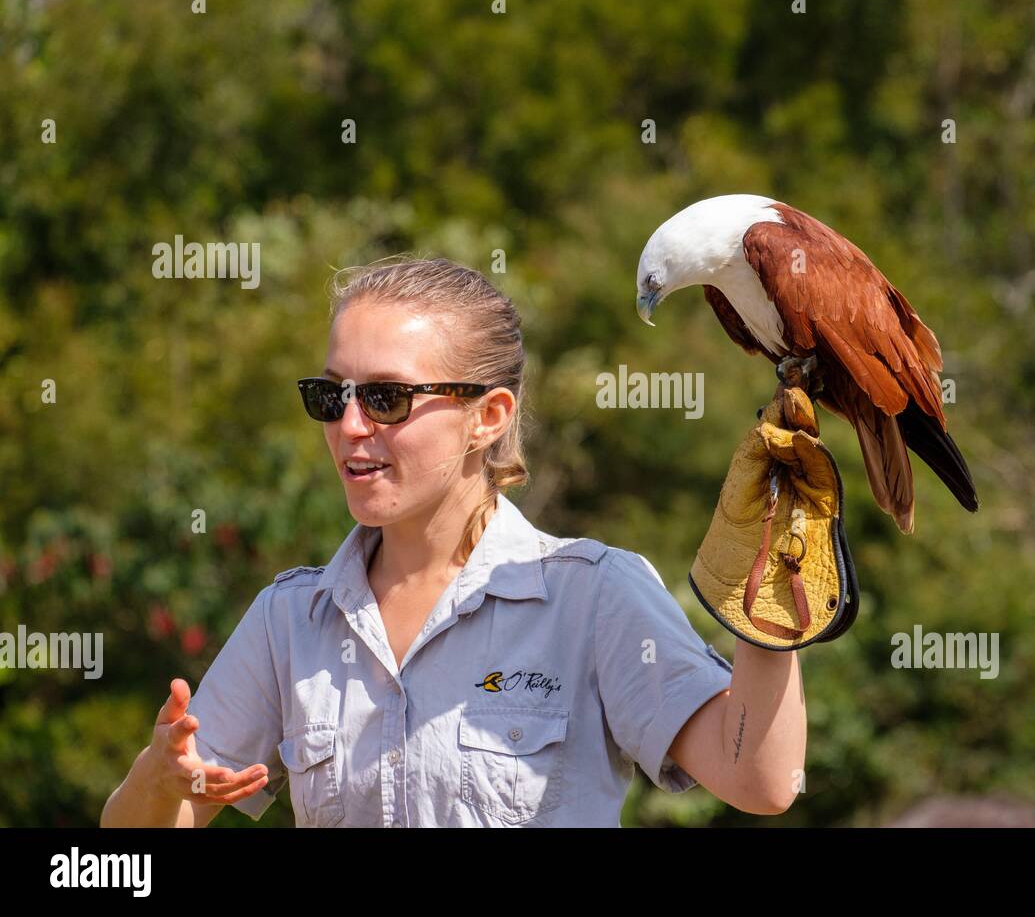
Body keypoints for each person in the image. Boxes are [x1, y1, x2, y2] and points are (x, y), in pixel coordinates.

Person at [101, 256, 806, 827]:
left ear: (488, 417)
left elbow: (760, 779)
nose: (348, 426)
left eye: (386, 398)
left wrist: (775, 590)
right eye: (330, 395)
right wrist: (159, 778)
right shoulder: (289, 622)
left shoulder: (593, 597)